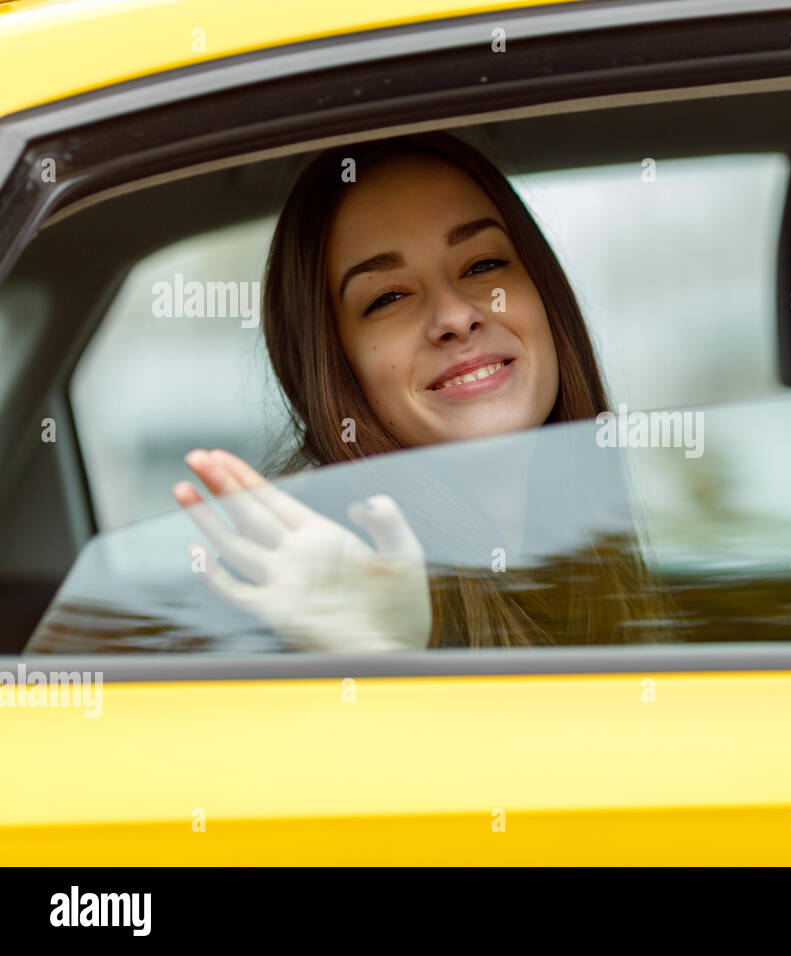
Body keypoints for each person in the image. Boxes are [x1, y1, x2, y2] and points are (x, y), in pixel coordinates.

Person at [172, 132, 667, 651]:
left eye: (482, 265)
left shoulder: (595, 557)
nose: (454, 316)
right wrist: (377, 670)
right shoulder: (293, 604)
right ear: (333, 367)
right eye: (387, 297)